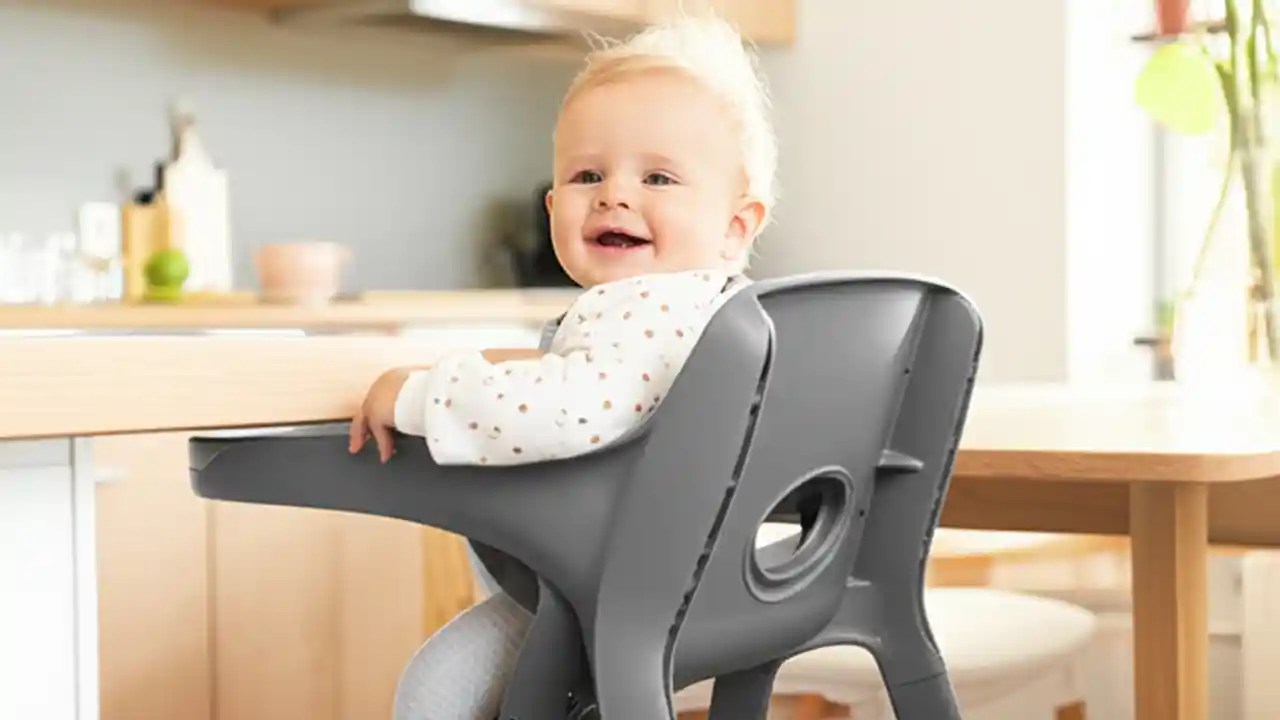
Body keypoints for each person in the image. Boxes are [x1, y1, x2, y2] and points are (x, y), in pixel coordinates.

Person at [347, 14, 779, 719]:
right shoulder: (711, 311)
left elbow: (565, 409)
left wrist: (419, 395)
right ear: (553, 208)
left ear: (736, 226)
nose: (614, 193)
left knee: (438, 693)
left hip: (609, 593)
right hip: (710, 582)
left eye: (659, 177)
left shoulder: (647, 306)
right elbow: (604, 386)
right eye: (587, 174)